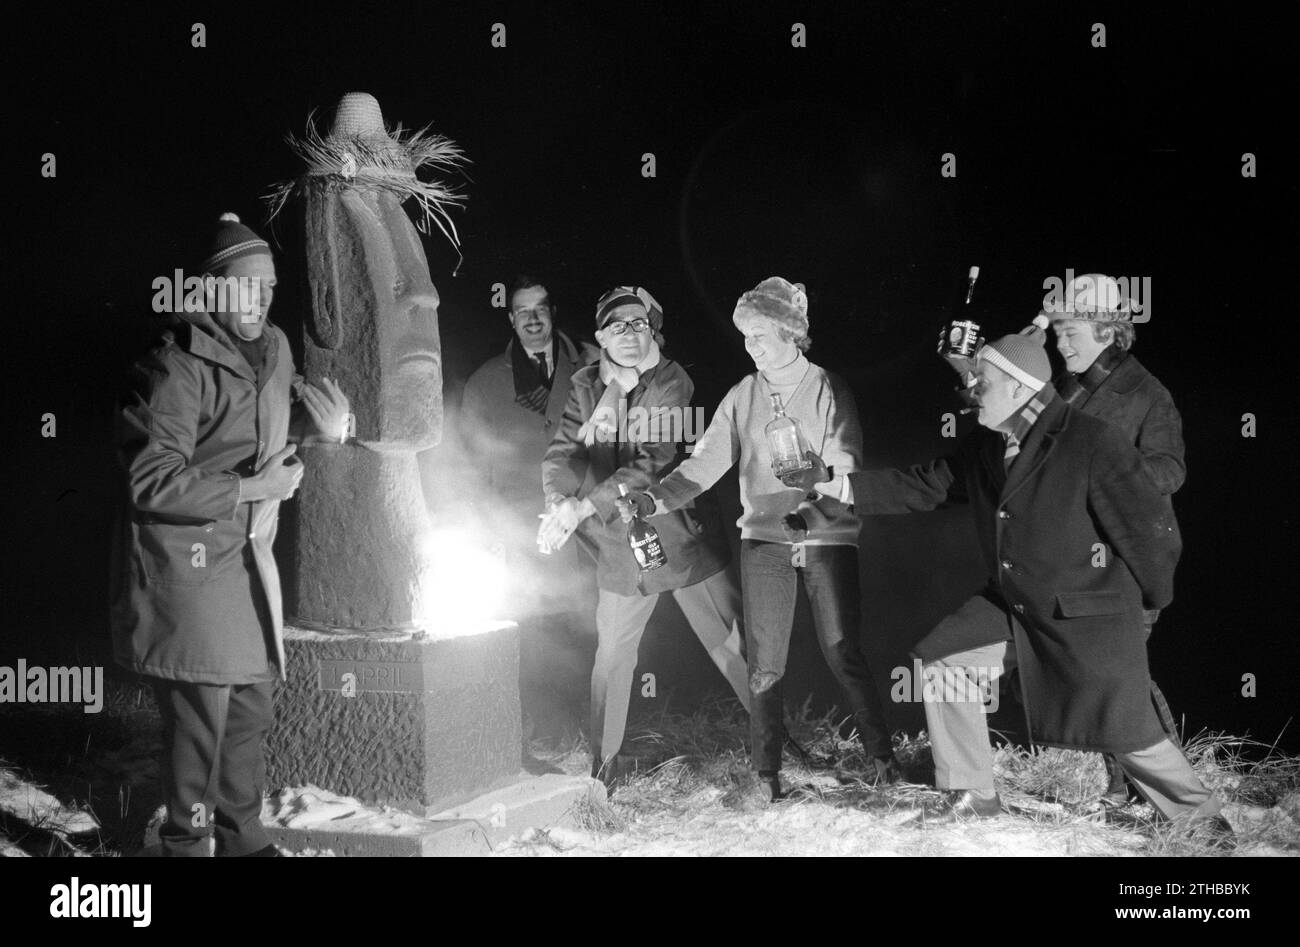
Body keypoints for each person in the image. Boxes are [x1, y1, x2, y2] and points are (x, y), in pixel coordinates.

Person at [798, 332, 1227, 838]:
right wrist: (840, 484)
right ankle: (972, 795)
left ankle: (1203, 823)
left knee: (1124, 726)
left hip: (1084, 609)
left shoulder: (1090, 440)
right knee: (946, 659)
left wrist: (1146, 603)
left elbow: (1150, 532)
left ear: (1022, 388)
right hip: (1015, 602)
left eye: (984, 380)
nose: (973, 389)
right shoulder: (990, 445)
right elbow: (928, 482)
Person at [112, 213, 350, 856]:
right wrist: (250, 489)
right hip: (186, 571)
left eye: (269, 288)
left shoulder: (274, 351)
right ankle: (184, 845)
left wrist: (317, 428)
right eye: (247, 287)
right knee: (199, 726)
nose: (260, 300)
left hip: (248, 562)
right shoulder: (175, 365)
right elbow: (149, 480)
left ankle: (243, 842)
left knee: (249, 708)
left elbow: (262, 434)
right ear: (212, 288)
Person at [619, 277, 897, 801]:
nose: (752, 346)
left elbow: (846, 463)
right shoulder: (743, 395)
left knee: (842, 652)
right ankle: (765, 776)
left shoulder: (828, 388)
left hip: (826, 538)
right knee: (765, 663)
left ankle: (883, 760)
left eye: (761, 334)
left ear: (791, 332)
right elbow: (702, 465)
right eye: (745, 336)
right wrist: (652, 499)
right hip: (764, 541)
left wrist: (816, 504)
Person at [540, 285, 751, 787]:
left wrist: (582, 507)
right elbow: (564, 450)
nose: (630, 334)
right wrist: (556, 502)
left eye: (638, 323)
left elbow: (653, 462)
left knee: (733, 645)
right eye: (618, 325)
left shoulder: (671, 379)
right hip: (618, 546)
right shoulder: (586, 382)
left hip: (679, 536)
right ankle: (603, 771)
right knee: (611, 657)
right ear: (600, 336)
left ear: (652, 329)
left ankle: (776, 741)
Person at [1037, 273, 1186, 802]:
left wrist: (1110, 475)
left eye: (1070, 332)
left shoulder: (1147, 393)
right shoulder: (1062, 388)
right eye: (1057, 333)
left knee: (1116, 677)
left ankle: (1176, 802)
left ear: (1106, 330)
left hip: (1129, 559)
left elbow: (1170, 468)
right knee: (1103, 676)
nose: (1061, 342)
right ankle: (1129, 792)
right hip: (1077, 561)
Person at [460, 275, 598, 770]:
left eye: (541, 308)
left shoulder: (593, 367)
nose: (533, 319)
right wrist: (488, 531)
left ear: (552, 311)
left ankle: (594, 732)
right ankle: (543, 733)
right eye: (523, 311)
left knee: (590, 625)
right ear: (511, 318)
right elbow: (473, 466)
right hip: (521, 529)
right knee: (534, 632)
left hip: (586, 520)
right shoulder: (486, 382)